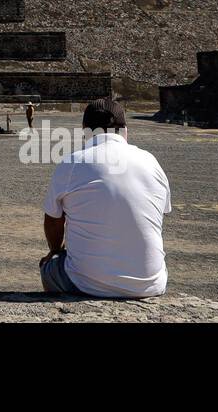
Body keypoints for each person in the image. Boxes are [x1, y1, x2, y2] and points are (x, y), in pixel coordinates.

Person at [40, 99, 171, 298]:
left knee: (49, 266)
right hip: (151, 284)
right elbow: (159, 212)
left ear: (85, 130)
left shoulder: (74, 162)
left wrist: (56, 250)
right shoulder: (150, 161)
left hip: (86, 284)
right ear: (125, 129)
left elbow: (53, 218)